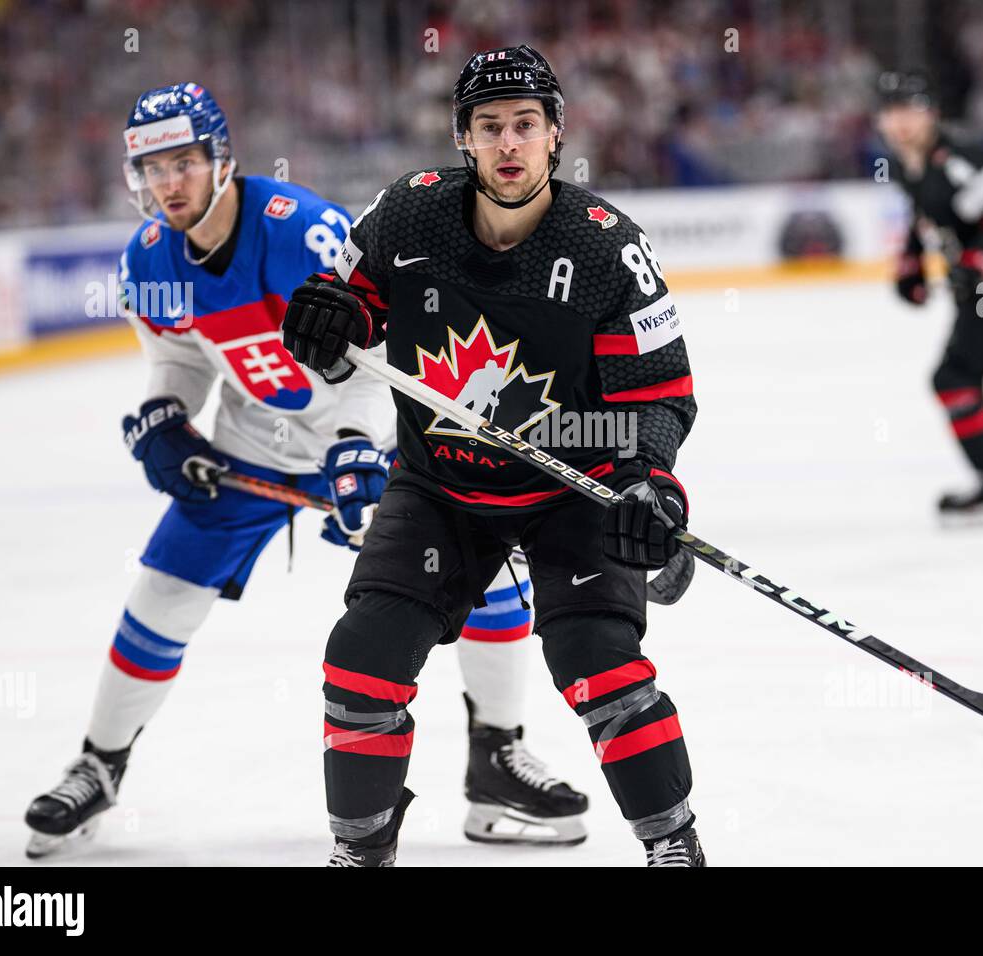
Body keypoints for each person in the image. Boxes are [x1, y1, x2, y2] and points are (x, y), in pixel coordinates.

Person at [23, 82, 585, 859]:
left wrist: (358, 445)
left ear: (223, 159)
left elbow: (386, 348)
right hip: (256, 438)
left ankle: (494, 756)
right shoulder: (148, 258)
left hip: (374, 431)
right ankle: (100, 763)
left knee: (485, 573)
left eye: (183, 163)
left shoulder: (304, 232)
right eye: (152, 170)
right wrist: (166, 416)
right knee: (164, 591)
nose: (168, 184)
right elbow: (180, 356)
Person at [282, 45, 706, 867]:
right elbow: (349, 319)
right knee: (362, 660)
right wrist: (326, 322)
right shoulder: (407, 214)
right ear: (463, 140)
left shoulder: (606, 247)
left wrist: (653, 485)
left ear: (555, 135)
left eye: (524, 125)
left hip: (576, 487)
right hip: (439, 484)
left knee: (599, 663)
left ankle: (674, 845)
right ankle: (361, 852)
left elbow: (658, 392)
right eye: (488, 128)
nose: (508, 144)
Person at [877, 69, 983, 520]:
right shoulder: (906, 163)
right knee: (958, 377)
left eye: (910, 111)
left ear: (931, 113)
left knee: (955, 377)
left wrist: (981, 265)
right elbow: (926, 215)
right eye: (892, 113)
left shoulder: (959, 159)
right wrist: (912, 263)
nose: (901, 123)